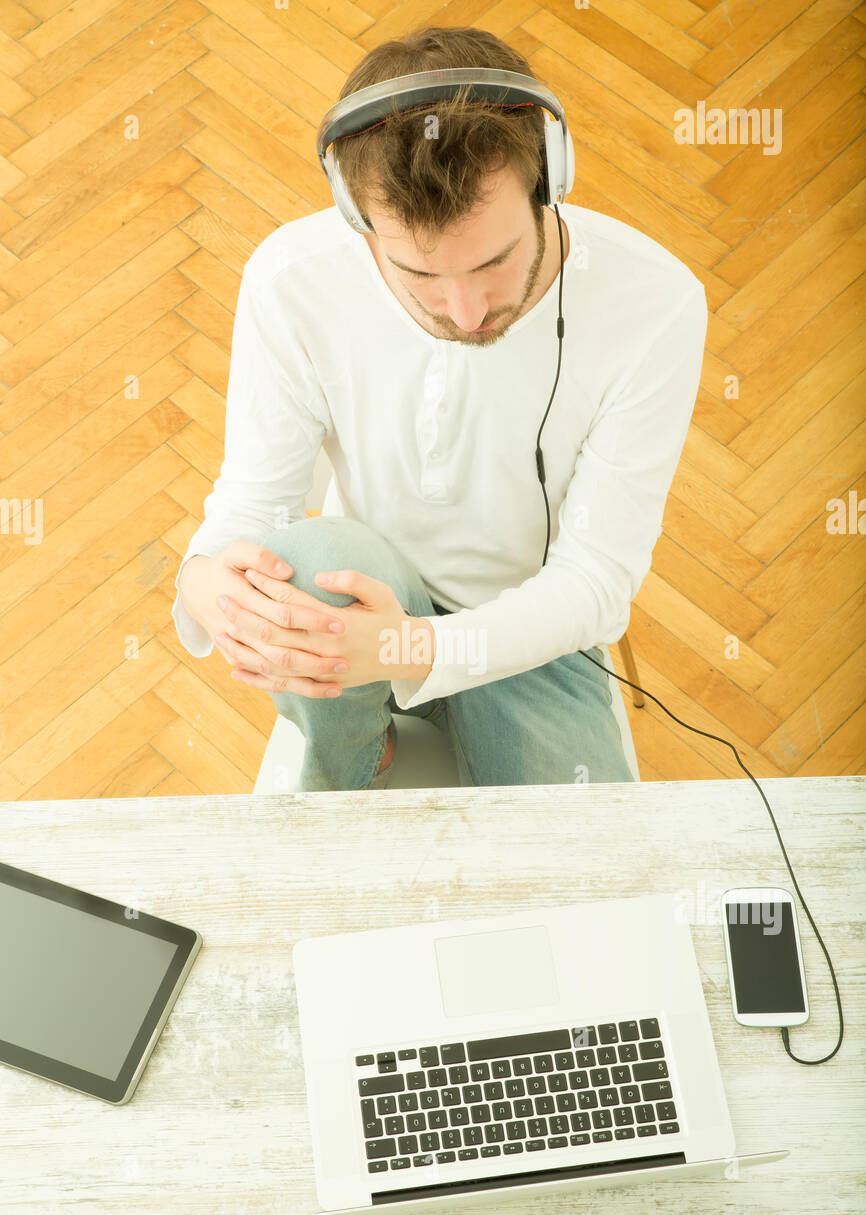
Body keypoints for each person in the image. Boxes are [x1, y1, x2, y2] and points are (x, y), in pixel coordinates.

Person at [172, 25, 707, 791]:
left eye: (494, 261)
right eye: (418, 272)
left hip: (533, 634)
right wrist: (203, 583)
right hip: (358, 598)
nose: (465, 309)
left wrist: (412, 651)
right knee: (310, 564)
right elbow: (256, 504)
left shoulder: (654, 304)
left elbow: (595, 580)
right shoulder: (292, 278)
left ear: (549, 182)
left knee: (578, 883)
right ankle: (361, 750)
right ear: (357, 222)